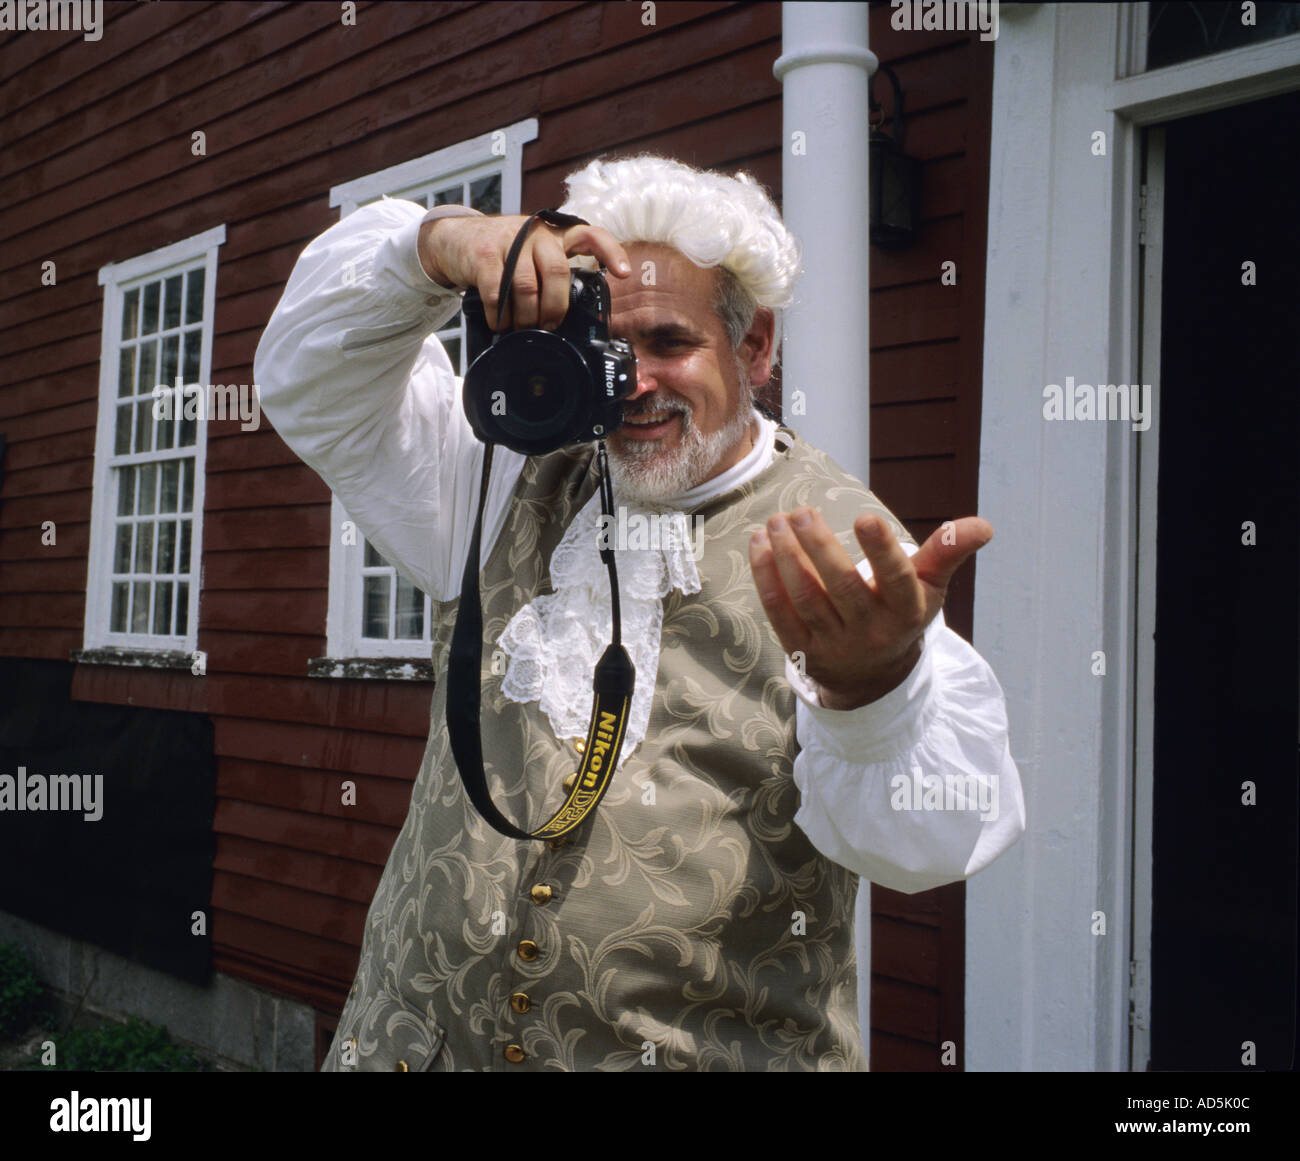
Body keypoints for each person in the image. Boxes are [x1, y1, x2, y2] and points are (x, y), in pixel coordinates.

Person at [254, 154, 1024, 1072]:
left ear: (756, 347)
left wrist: (877, 695)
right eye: (607, 347)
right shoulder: (501, 476)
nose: (631, 382)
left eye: (669, 342)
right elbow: (305, 378)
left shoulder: (843, 548)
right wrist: (441, 242)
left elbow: (932, 844)